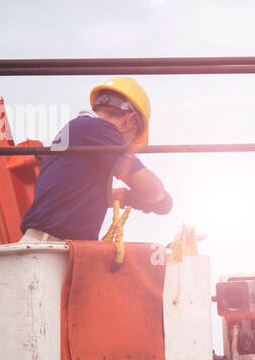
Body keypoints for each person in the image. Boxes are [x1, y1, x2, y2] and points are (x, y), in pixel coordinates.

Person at [18, 77, 172, 242]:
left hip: (44, 243)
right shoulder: (100, 130)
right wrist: (163, 200)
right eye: (130, 142)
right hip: (52, 249)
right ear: (132, 121)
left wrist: (126, 197)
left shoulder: (79, 130)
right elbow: (153, 191)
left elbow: (75, 195)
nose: (126, 147)